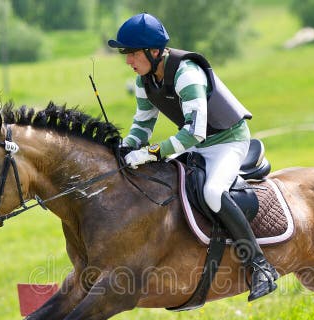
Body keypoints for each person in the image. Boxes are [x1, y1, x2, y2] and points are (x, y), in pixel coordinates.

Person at [109, 13, 279, 301]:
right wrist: (125, 149)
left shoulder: (187, 73)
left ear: (153, 51)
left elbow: (193, 134)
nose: (128, 60)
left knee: (213, 192)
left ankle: (260, 266)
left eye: (133, 53)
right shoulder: (143, 81)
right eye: (126, 54)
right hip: (198, 144)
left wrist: (150, 152)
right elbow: (142, 125)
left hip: (228, 141)